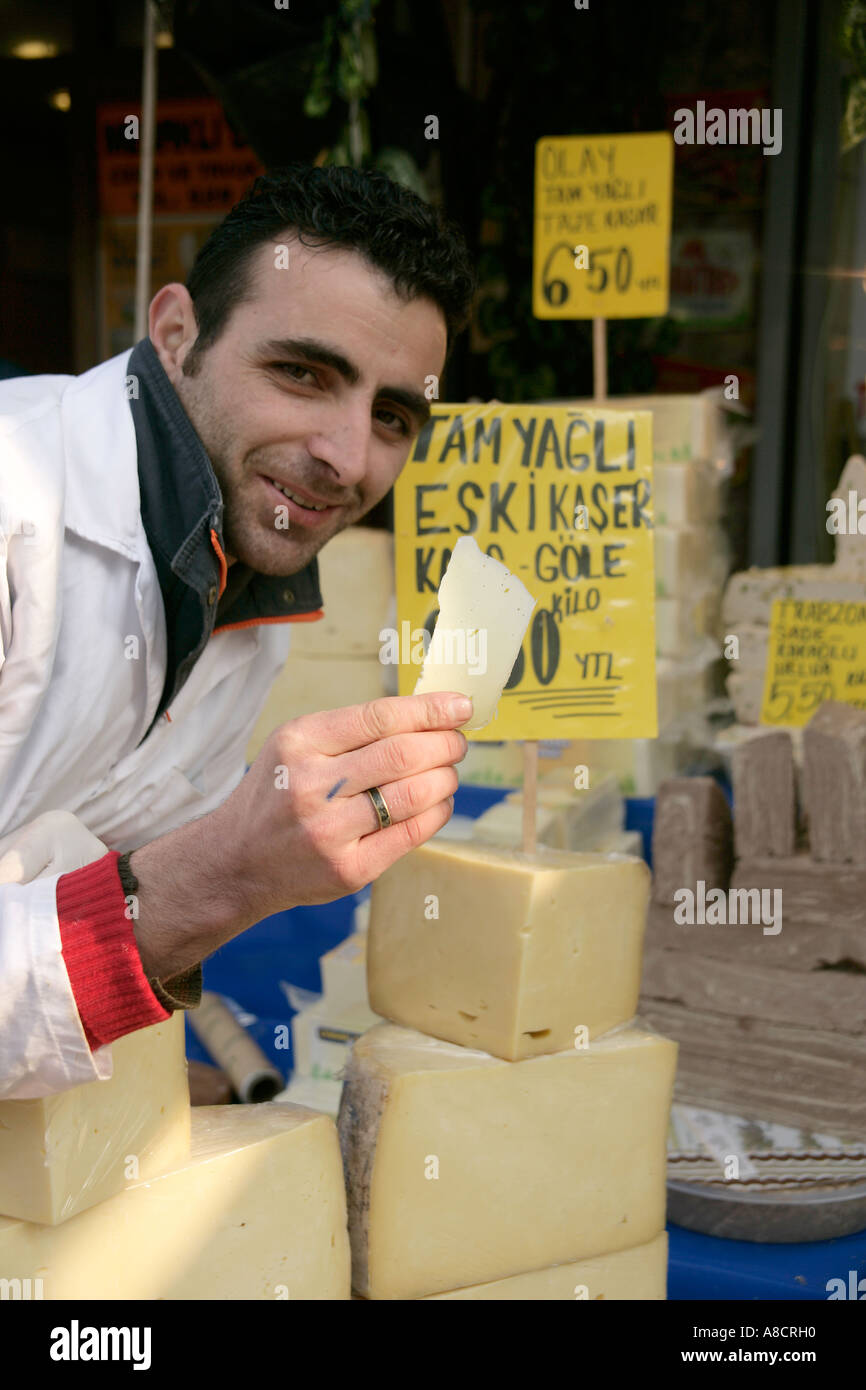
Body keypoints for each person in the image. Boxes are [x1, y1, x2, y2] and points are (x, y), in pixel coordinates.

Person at [0, 164, 476, 1098]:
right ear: (177, 334)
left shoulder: (251, 589)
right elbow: (151, 901)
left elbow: (89, 882)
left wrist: (158, 1083)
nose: (345, 458)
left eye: (391, 416)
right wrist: (224, 876)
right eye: (301, 372)